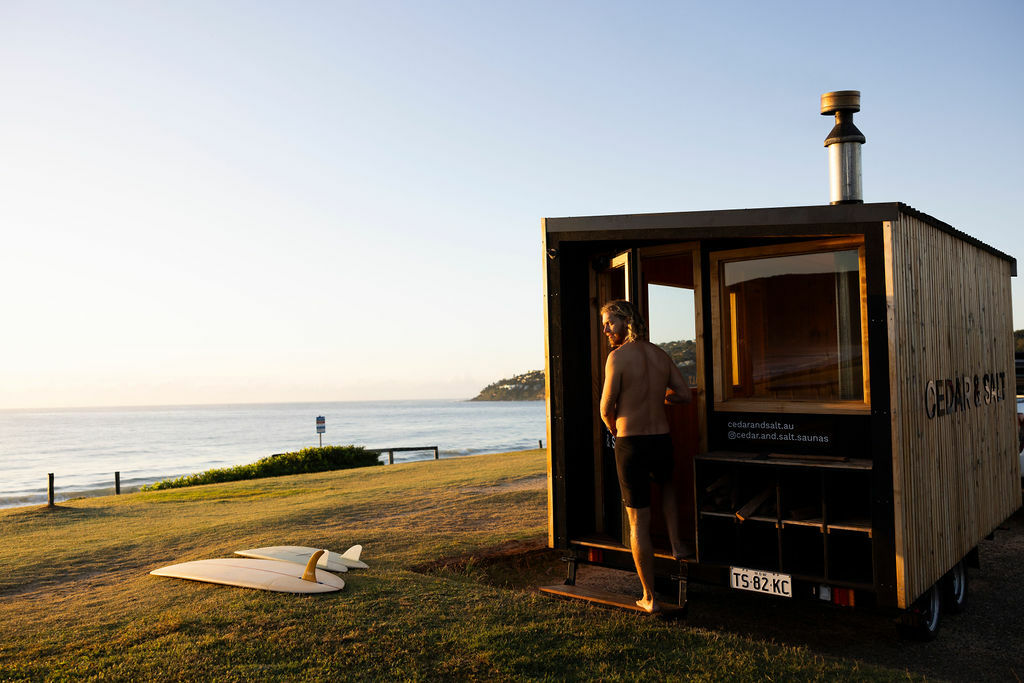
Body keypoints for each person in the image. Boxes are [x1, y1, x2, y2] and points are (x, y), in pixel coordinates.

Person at [599, 299, 693, 613]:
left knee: (638, 520)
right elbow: (684, 394)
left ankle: (650, 597)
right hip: (661, 438)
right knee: (666, 488)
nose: (606, 329)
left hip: (633, 442)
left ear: (625, 321)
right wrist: (657, 396)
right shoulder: (660, 355)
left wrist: (613, 427)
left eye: (610, 322)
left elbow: (605, 406)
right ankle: (678, 545)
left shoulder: (617, 358)